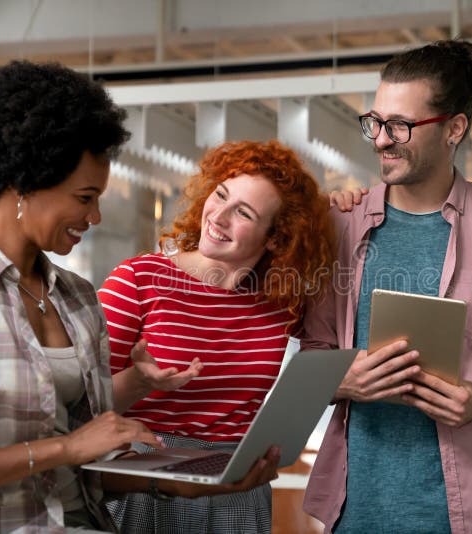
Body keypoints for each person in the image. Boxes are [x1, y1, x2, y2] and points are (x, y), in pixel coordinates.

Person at [0, 60, 278, 533]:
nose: (96, 216)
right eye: (84, 197)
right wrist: (66, 448)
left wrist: (182, 485)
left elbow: (90, 469)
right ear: (25, 180)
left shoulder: (77, 299)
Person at [303, 40, 472, 533]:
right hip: (354, 513)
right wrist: (342, 379)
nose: (382, 140)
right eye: (376, 122)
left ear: (454, 128)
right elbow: (312, 355)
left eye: (400, 126)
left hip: (469, 515)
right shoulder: (339, 225)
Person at [98, 139, 334, 534]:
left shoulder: (284, 305)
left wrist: (343, 208)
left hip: (238, 485)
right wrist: (139, 383)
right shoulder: (138, 279)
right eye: (220, 195)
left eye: (242, 212)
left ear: (276, 238)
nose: (218, 216)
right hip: (147, 478)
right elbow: (79, 408)